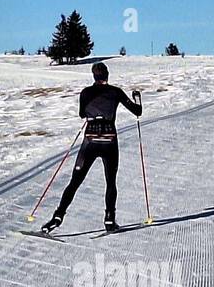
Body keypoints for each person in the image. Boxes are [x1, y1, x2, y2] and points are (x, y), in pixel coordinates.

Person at [43, 62, 142, 234]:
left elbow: (82, 113)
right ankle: (109, 219)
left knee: (75, 181)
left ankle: (57, 217)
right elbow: (137, 111)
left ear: (94, 76)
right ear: (107, 75)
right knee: (110, 181)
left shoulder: (86, 92)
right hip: (109, 139)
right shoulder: (115, 92)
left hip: (90, 139)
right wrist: (137, 98)